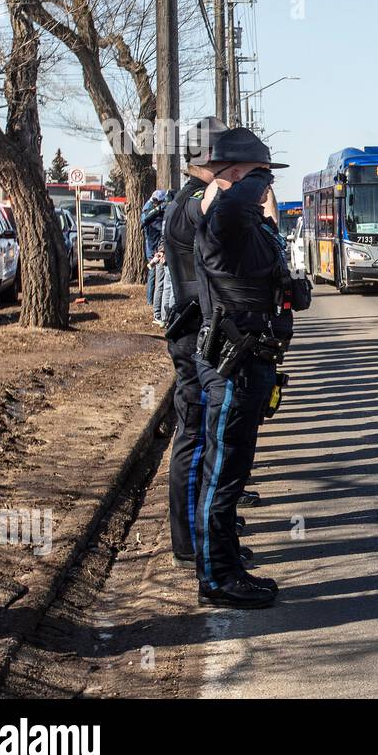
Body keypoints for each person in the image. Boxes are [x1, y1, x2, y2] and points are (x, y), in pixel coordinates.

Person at [192, 127, 309, 609]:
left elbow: (270, 263)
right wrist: (245, 177)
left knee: (233, 474)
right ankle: (216, 578)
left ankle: (228, 565)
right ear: (234, 176)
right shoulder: (221, 219)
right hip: (233, 365)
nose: (267, 185)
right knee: (222, 476)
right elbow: (234, 202)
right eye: (259, 176)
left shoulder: (248, 224)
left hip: (255, 362)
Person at [161, 118, 228, 570]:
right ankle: (189, 538)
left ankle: (204, 527)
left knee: (205, 435)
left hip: (203, 334)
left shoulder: (196, 200)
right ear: (205, 160)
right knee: (195, 438)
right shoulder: (189, 204)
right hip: (192, 336)